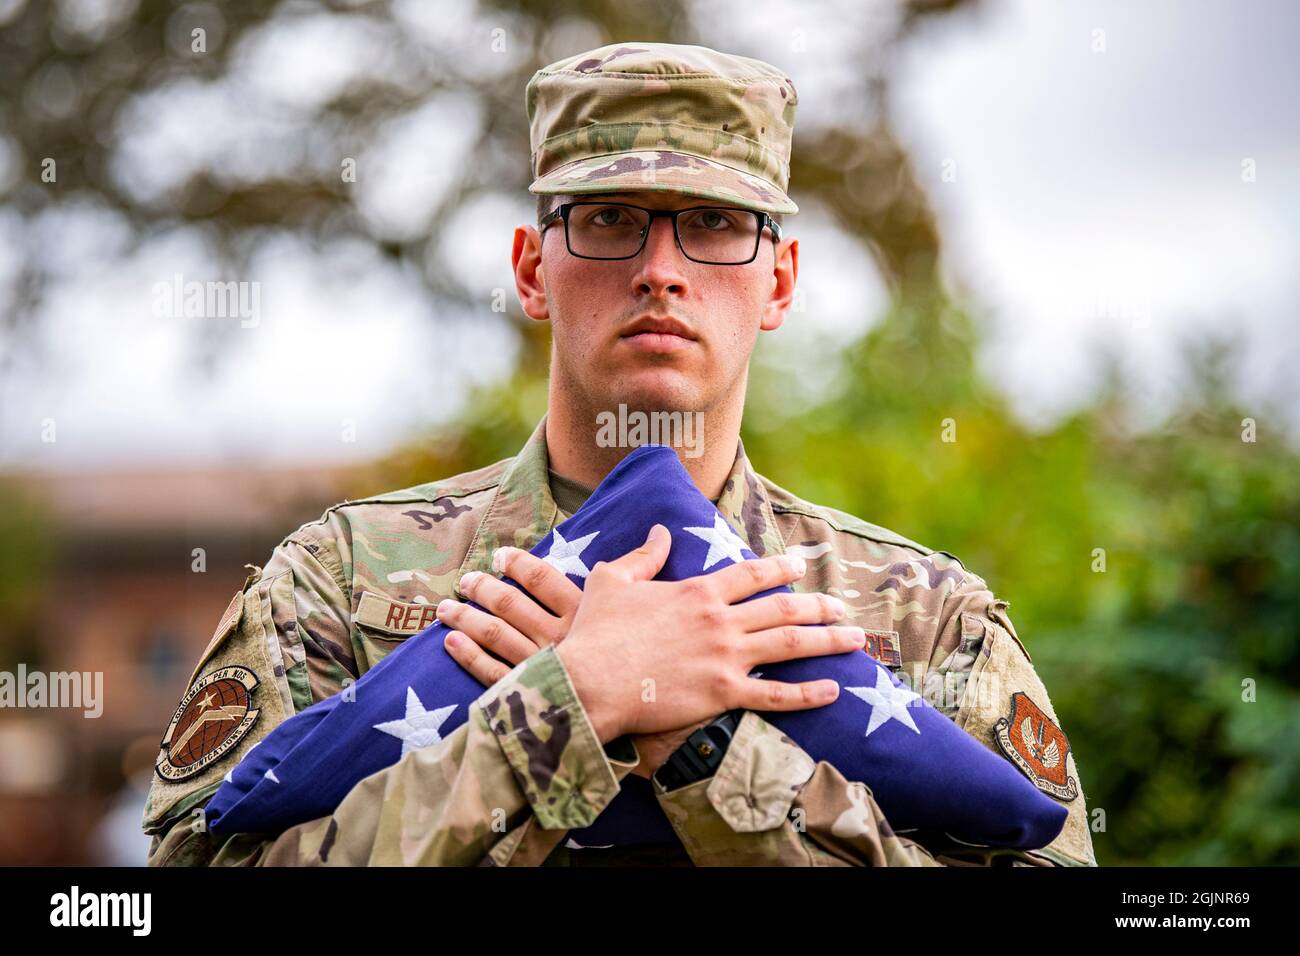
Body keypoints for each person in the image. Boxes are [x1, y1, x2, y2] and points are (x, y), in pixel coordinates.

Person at [142, 41, 1097, 867]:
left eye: (715, 224)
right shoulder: (339, 583)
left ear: (780, 281)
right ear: (531, 270)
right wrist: (569, 701)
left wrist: (700, 742)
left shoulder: (925, 620)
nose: (660, 271)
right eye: (609, 220)